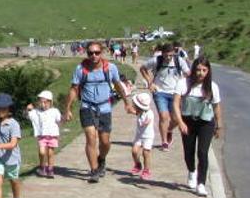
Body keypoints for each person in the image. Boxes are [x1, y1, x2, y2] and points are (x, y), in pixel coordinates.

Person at [64, 41, 130, 183]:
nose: (94, 56)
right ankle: (94, 170)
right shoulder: (80, 69)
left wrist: (126, 102)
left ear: (102, 53)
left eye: (97, 53)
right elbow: (74, 89)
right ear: (87, 54)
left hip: (105, 107)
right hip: (87, 106)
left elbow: (118, 85)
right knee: (91, 137)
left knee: (105, 142)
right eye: (90, 53)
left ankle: (101, 159)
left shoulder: (110, 68)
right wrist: (68, 108)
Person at [173, 57, 225, 197]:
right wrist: (180, 122)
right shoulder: (183, 83)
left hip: (205, 122)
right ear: (193, 70)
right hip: (188, 121)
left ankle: (201, 183)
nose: (201, 73)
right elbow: (176, 103)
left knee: (202, 152)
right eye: (198, 70)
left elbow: (216, 106)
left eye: (204, 70)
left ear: (208, 71)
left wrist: (219, 125)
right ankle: (191, 171)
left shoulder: (212, 87)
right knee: (188, 151)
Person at [141, 43, 190, 151]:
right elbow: (143, 68)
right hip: (160, 92)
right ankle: (164, 142)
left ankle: (169, 130)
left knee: (177, 119)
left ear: (174, 54)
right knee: (164, 116)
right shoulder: (156, 60)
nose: (168, 58)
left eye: (170, 55)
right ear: (162, 53)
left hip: (176, 93)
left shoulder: (179, 61)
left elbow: (188, 73)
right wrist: (150, 82)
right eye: (166, 55)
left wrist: (182, 81)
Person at [27, 90, 61, 178]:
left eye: (45, 102)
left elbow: (59, 120)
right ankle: (42, 166)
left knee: (50, 153)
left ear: (50, 102)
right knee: (42, 152)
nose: (43, 104)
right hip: (42, 136)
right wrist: (29, 109)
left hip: (52, 136)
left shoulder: (54, 111)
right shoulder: (37, 111)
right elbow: (30, 116)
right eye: (41, 102)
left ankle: (50, 169)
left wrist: (65, 118)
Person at [129, 92, 155, 179]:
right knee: (134, 151)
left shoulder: (149, 113)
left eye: (135, 106)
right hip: (139, 135)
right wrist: (131, 111)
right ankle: (137, 164)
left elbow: (148, 120)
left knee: (145, 153)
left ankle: (146, 170)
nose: (134, 107)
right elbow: (135, 113)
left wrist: (145, 122)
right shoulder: (139, 112)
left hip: (148, 136)